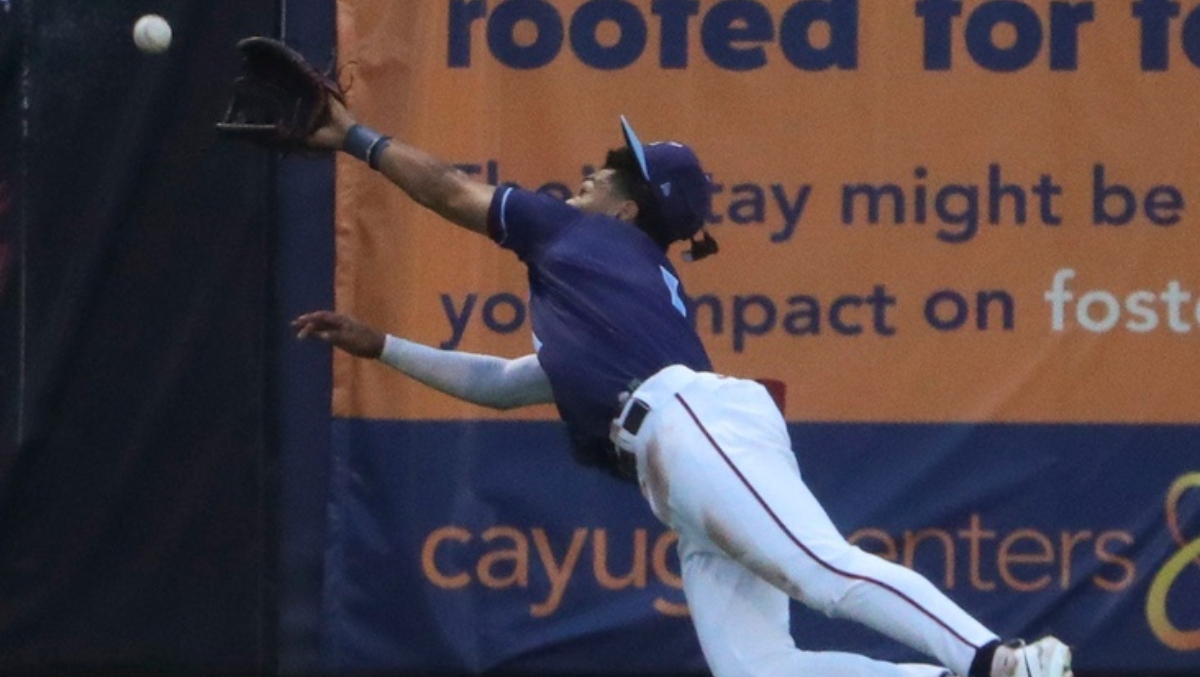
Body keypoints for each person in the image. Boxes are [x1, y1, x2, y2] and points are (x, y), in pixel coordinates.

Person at [291, 96, 1073, 677]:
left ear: (627, 209)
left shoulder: (580, 234)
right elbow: (505, 383)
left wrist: (353, 135)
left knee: (821, 570)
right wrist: (383, 346)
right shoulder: (598, 285)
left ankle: (1003, 662)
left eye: (608, 173)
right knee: (759, 670)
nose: (589, 176)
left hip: (691, 423)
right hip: (678, 448)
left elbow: (449, 191)